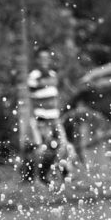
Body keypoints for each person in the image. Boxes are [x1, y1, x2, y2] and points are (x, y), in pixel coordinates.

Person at [25, 48, 72, 182]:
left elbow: (54, 94)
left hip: (54, 118)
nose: (45, 61)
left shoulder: (52, 75)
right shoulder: (34, 76)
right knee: (47, 147)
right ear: (37, 60)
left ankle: (62, 172)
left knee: (63, 145)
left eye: (47, 58)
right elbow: (31, 92)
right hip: (42, 119)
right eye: (42, 58)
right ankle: (42, 175)